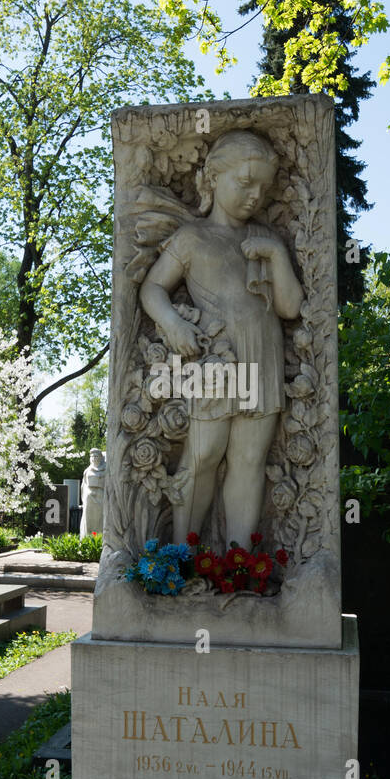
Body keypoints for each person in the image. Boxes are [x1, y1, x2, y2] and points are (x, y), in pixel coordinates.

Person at [138, 129, 303, 547]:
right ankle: (181, 558)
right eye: (244, 182)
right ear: (213, 177)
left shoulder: (264, 239)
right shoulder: (193, 238)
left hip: (262, 358)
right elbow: (152, 289)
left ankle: (238, 565)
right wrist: (174, 324)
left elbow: (289, 308)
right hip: (214, 361)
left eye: (263, 187)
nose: (255, 195)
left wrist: (278, 256)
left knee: (248, 462)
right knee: (203, 457)